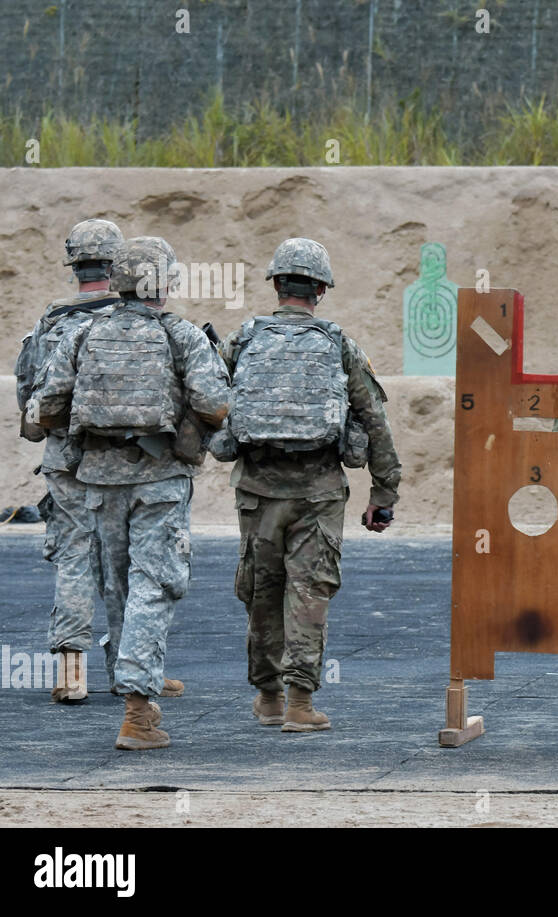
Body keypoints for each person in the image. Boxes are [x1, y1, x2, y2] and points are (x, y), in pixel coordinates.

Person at [30, 236, 230, 749]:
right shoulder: (182, 335)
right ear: (165, 283)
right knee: (152, 584)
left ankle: (128, 681)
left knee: (117, 584)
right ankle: (138, 711)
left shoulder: (80, 332)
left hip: (98, 480)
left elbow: (47, 406)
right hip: (159, 480)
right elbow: (215, 404)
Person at [212, 238, 401, 732]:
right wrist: (384, 493)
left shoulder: (242, 339)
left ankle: (269, 696)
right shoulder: (339, 344)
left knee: (261, 590)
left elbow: (206, 401)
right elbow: (373, 420)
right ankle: (301, 703)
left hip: (256, 491)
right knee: (309, 593)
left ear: (276, 284)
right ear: (320, 289)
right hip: (319, 493)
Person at [15, 219, 122, 703]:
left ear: (74, 265)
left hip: (65, 459)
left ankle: (72, 675)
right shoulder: (137, 321)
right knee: (128, 563)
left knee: (75, 559)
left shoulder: (48, 324)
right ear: (118, 264)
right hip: (126, 463)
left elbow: (28, 399)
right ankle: (132, 671)